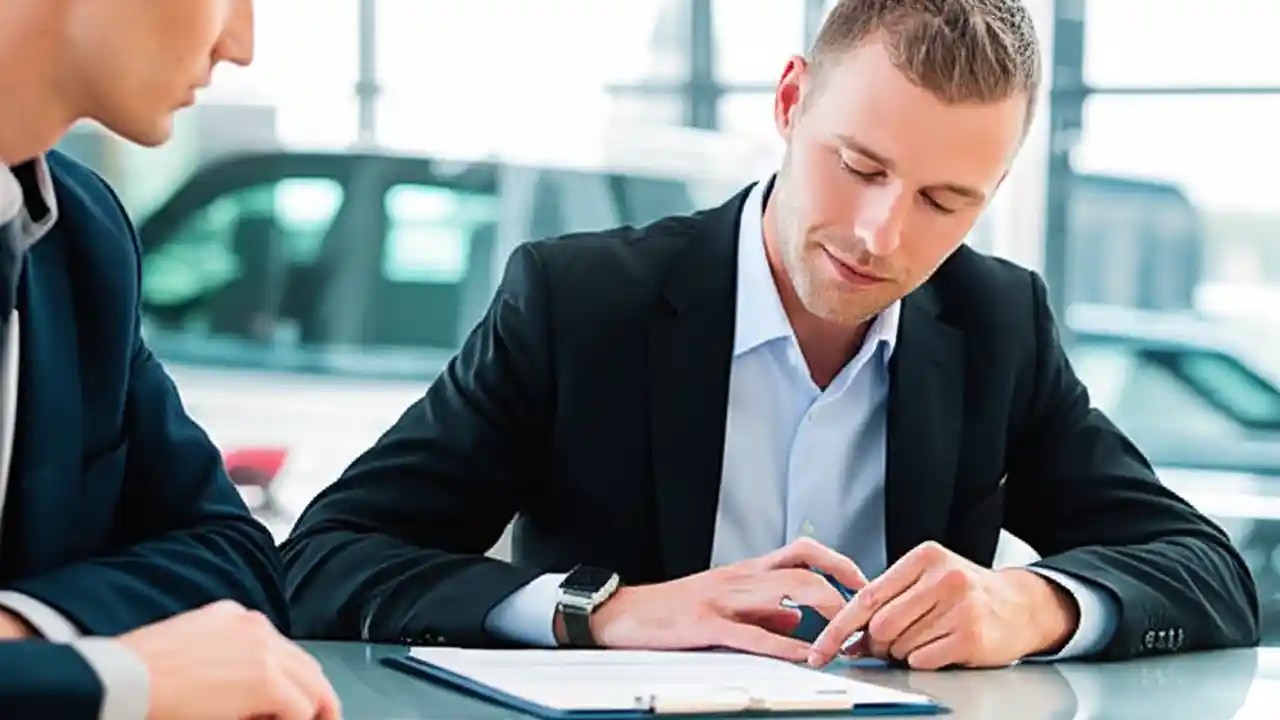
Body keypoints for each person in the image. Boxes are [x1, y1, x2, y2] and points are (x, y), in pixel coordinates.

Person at [282, 0, 1259, 671]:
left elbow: (1203, 572)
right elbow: (324, 560)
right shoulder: (578, 304)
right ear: (790, 102)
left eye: (942, 201)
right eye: (858, 165)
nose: (882, 235)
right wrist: (607, 612)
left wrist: (1030, 605)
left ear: (991, 195)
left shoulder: (994, 323)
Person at [0, 1, 338, 718]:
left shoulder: (81, 238)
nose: (238, 45)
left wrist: (27, 632)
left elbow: (232, 560)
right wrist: (105, 677)